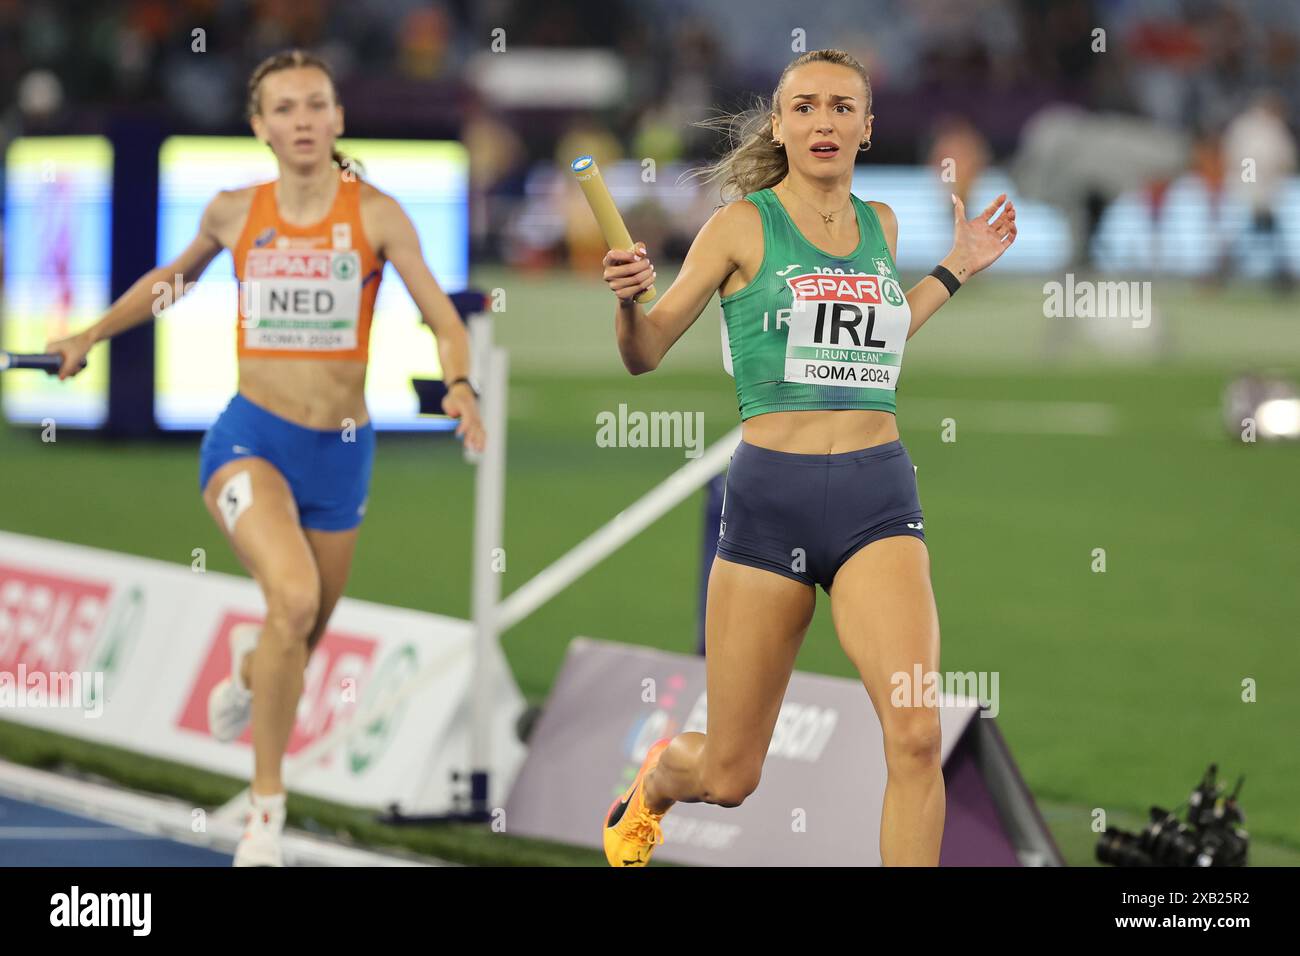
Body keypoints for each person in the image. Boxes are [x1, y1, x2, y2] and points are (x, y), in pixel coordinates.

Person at [45, 49, 484, 867]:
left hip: (341, 454)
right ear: (259, 127)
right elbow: (169, 282)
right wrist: (89, 337)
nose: (303, 120)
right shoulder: (233, 212)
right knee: (293, 598)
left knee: (299, 631)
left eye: (316, 104)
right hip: (249, 442)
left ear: (338, 118)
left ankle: (249, 674)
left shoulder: (378, 215)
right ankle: (265, 814)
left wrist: (459, 381)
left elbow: (443, 317)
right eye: (284, 109)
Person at [599, 49, 1016, 867]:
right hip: (769, 505)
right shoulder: (740, 226)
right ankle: (657, 781)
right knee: (729, 775)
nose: (823, 122)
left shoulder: (882, 225)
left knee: (917, 732)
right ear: (780, 126)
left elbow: (879, 341)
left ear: (867, 127)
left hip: (876, 500)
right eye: (805, 107)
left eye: (841, 107)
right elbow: (645, 352)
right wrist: (625, 304)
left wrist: (957, 266)